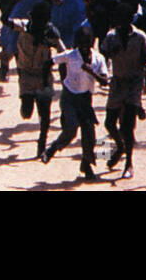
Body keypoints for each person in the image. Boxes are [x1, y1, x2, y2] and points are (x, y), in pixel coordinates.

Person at [43, 24, 108, 180]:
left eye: (87, 44)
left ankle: (86, 166)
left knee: (89, 135)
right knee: (71, 128)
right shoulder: (71, 55)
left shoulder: (98, 59)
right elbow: (50, 62)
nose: (84, 48)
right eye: (81, 44)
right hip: (69, 96)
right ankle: (52, 149)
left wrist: (91, 72)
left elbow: (104, 81)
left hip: (85, 99)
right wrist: (45, 81)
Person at [100, 4, 146, 179]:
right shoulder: (111, 36)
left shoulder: (139, 36)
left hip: (134, 82)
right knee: (109, 123)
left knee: (128, 126)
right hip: (118, 81)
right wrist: (109, 54)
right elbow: (102, 53)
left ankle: (129, 162)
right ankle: (119, 146)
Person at [11, 1, 63, 159]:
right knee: (26, 112)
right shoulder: (23, 26)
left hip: (43, 76)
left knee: (44, 112)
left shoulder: (51, 33)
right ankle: (26, 101)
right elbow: (4, 20)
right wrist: (13, 1)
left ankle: (42, 143)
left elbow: (63, 53)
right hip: (26, 74)